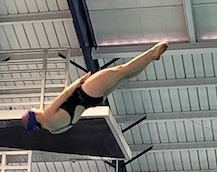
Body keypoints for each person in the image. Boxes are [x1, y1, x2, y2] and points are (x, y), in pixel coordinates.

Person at [22, 41, 169, 134]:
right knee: (121, 70)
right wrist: (79, 81)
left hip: (93, 101)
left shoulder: (54, 129)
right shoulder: (47, 115)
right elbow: (65, 93)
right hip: (86, 92)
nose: (38, 109)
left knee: (124, 76)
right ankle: (152, 52)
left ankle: (151, 58)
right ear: (35, 117)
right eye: (35, 110)